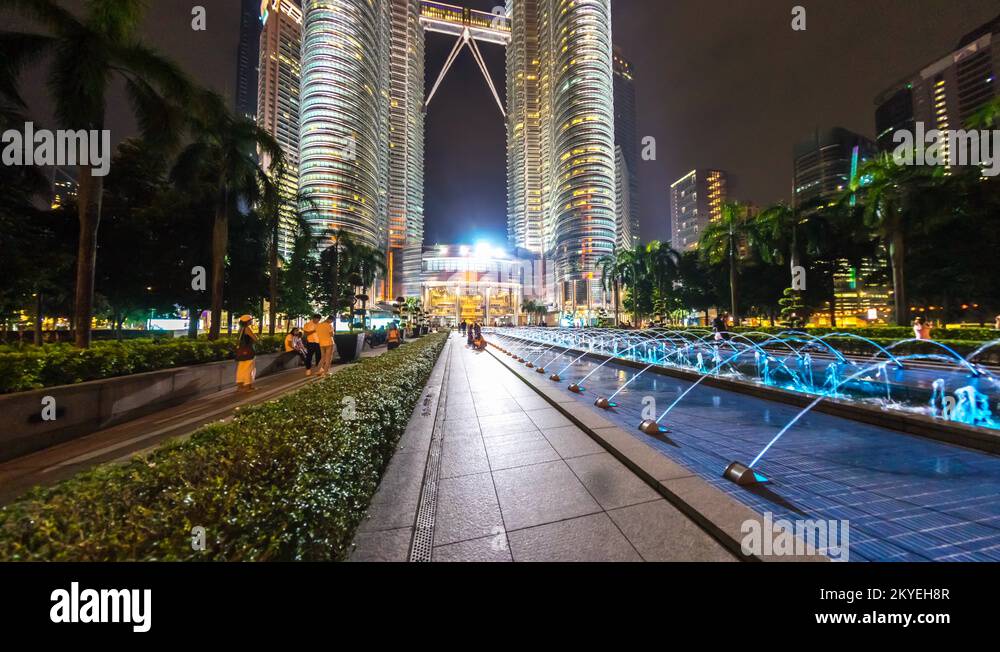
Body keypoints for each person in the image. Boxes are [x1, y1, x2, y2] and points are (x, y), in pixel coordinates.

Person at [235, 315, 258, 392]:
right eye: (251, 320)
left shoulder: (240, 329)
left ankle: (240, 385)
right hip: (248, 351)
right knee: (249, 368)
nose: (251, 321)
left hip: (241, 351)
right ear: (247, 321)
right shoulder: (247, 329)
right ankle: (248, 386)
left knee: (241, 368)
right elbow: (255, 338)